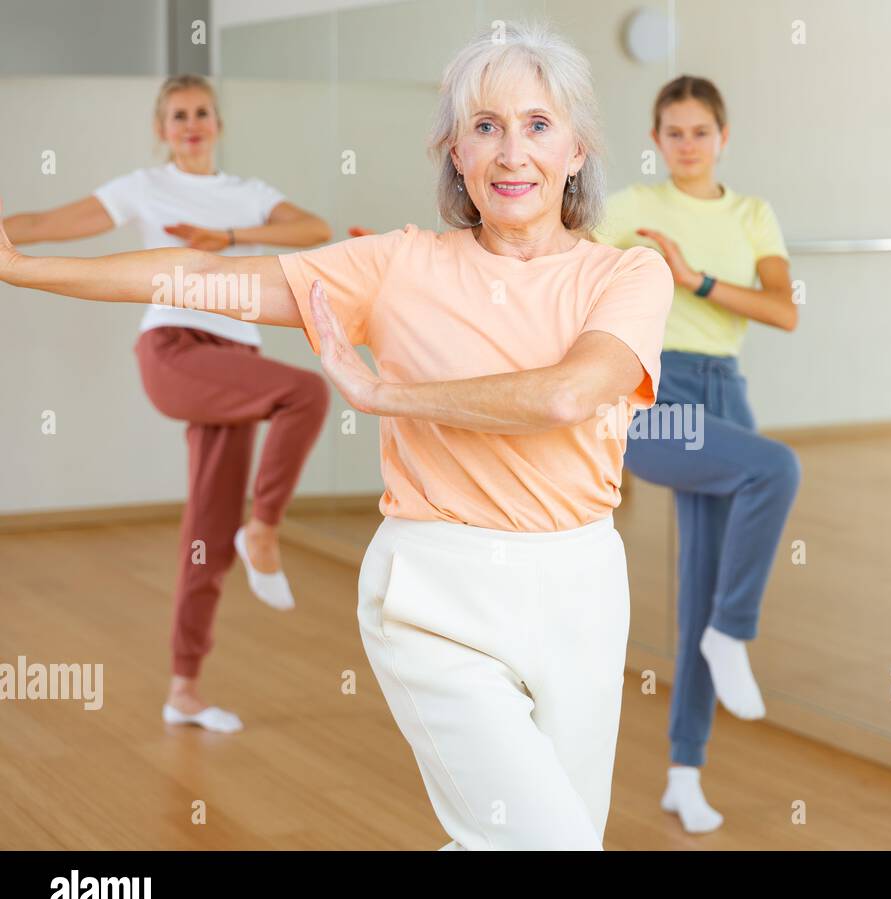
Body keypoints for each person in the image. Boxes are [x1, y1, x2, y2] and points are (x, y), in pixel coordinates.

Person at [1, 22, 672, 849]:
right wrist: (27, 267)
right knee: (549, 844)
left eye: (537, 125)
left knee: (557, 838)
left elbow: (571, 395)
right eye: (484, 127)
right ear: (455, 154)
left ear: (577, 150)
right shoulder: (396, 265)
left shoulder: (630, 275)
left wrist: (388, 393)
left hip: (582, 585)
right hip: (437, 593)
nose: (511, 153)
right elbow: (205, 279)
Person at [0, 74, 332, 733]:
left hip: (237, 361)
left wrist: (227, 239)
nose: (191, 124)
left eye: (201, 112)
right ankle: (263, 529)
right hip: (175, 350)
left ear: (217, 123)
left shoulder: (248, 196)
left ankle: (183, 690)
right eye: (177, 115)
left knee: (207, 534)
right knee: (309, 392)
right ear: (161, 128)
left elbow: (313, 228)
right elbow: (47, 224)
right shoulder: (142, 185)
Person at [592, 75, 801, 834]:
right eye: (673, 133)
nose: (687, 145)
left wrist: (695, 280)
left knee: (702, 586)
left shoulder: (752, 214)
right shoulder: (631, 209)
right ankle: (734, 632)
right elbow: (561, 267)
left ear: (723, 136)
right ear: (655, 140)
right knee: (777, 467)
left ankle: (686, 772)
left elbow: (783, 310)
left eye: (700, 132)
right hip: (654, 394)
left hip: (726, 393)